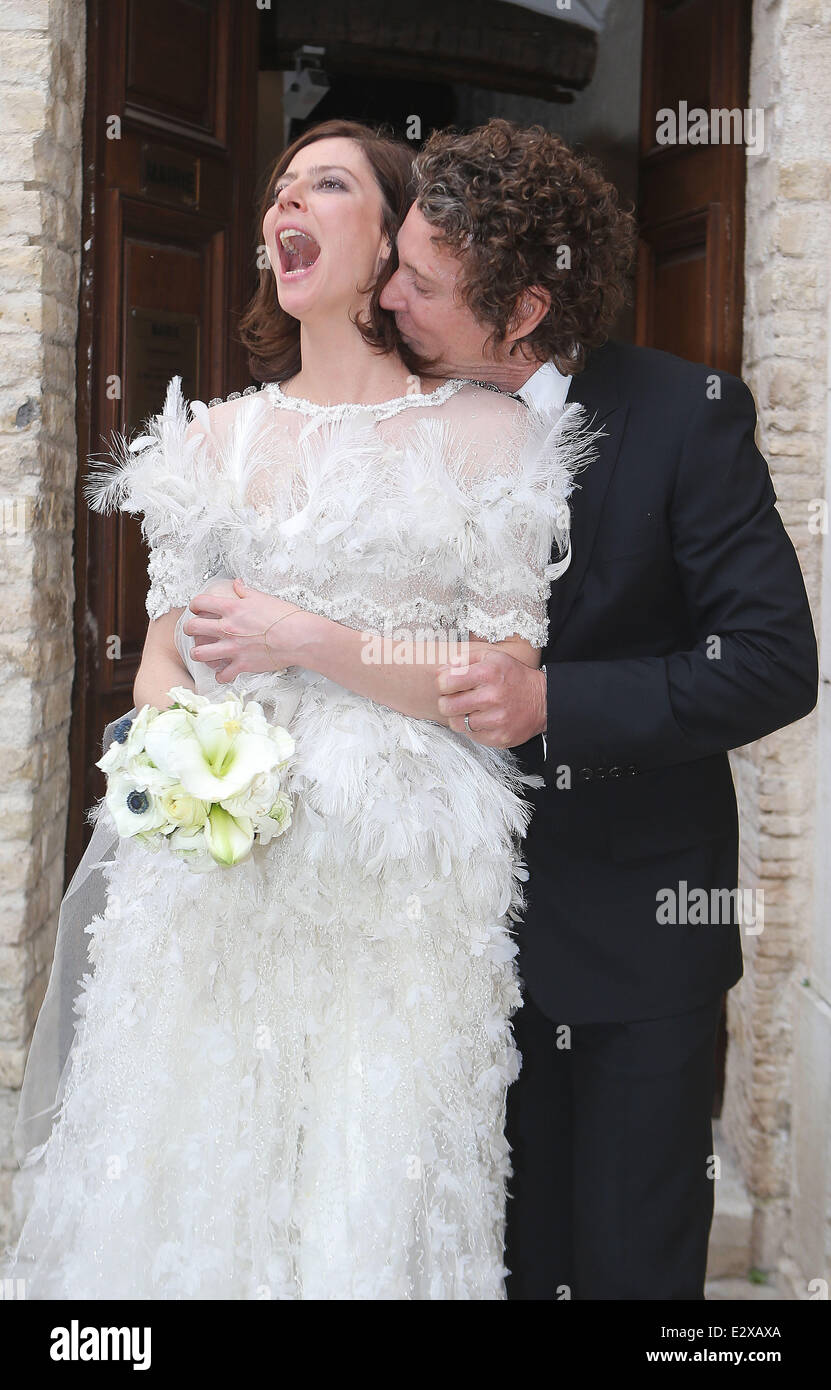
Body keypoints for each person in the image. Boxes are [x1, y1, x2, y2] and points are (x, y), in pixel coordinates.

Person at [2, 120, 594, 1300]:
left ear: (393, 242)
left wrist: (312, 644)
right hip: (224, 875)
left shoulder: (492, 439)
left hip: (404, 889)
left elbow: (495, 677)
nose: (287, 205)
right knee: (201, 1170)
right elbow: (163, 664)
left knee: (367, 1186)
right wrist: (200, 754)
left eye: (326, 184)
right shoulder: (212, 440)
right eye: (278, 188)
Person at [376, 118, 819, 1299]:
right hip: (445, 954)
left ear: (522, 309)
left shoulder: (687, 417)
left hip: (636, 946)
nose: (391, 295)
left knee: (629, 1273)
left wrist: (551, 700)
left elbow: (774, 661)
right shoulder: (396, 424)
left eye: (421, 281)